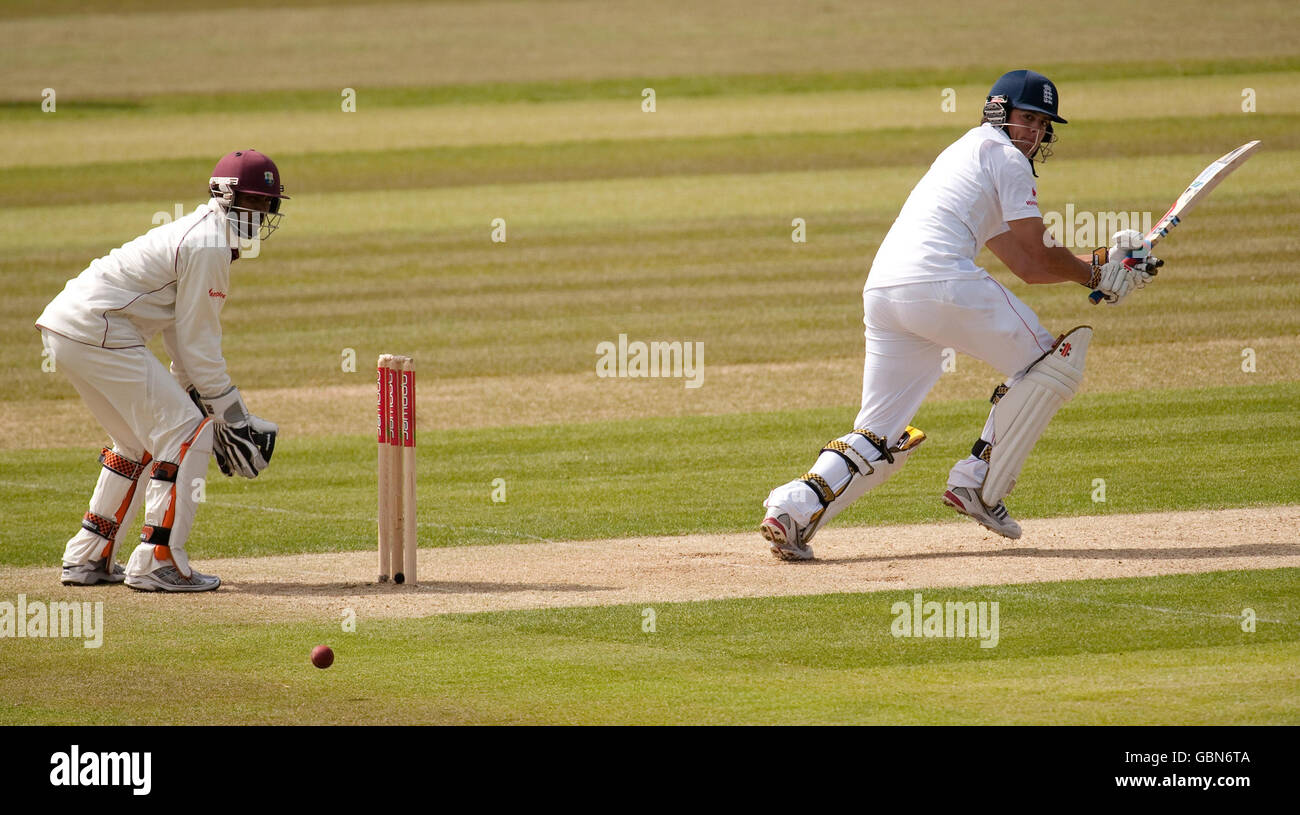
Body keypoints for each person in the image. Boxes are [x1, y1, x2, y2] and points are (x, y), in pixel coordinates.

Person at [759, 70, 1159, 561]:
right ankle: (978, 483)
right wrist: (1096, 279)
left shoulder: (968, 152)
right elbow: (1035, 259)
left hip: (886, 292)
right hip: (937, 281)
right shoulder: (1007, 159)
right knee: (1053, 362)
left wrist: (1100, 265)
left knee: (880, 431)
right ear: (999, 111)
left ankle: (792, 509)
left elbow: (1023, 261)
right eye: (1026, 118)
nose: (1033, 133)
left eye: (1042, 124)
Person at [36, 149, 287, 591]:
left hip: (69, 327)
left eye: (267, 205)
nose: (259, 214)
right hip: (99, 329)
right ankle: (159, 559)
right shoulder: (209, 242)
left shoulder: (205, 234)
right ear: (226, 198)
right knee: (188, 433)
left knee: (136, 443)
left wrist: (191, 393)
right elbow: (200, 347)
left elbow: (182, 338)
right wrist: (233, 419)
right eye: (252, 202)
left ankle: (88, 555)